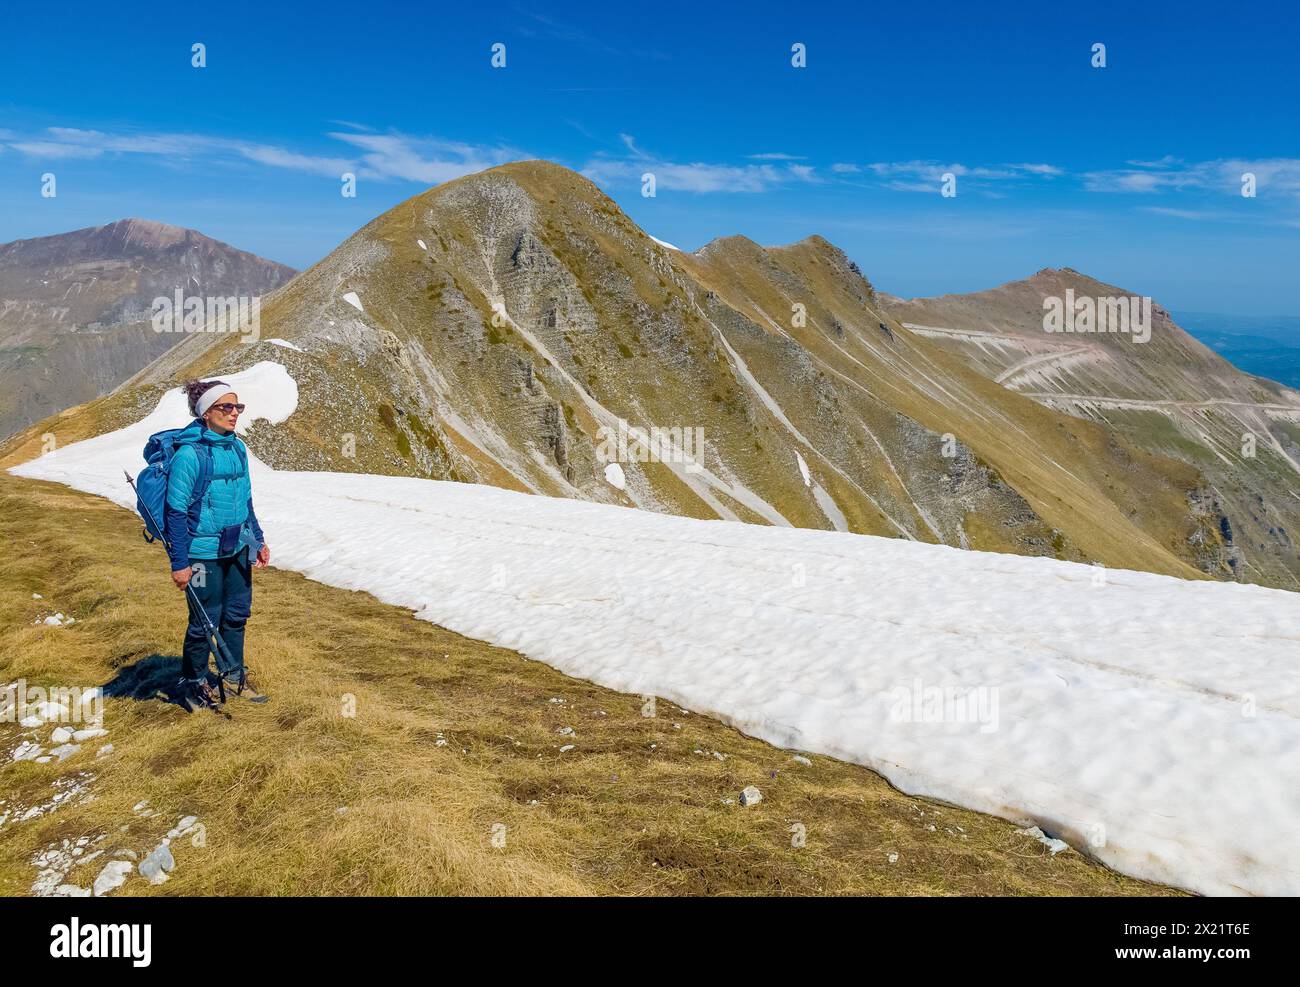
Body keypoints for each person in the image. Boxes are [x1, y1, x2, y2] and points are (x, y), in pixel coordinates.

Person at [166, 379, 271, 709]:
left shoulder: (238, 448)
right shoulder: (189, 455)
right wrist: (179, 563)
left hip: (237, 548)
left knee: (237, 615)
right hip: (201, 555)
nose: (234, 413)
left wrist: (258, 540)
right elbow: (175, 510)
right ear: (205, 413)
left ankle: (232, 676)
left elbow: (246, 499)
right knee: (203, 621)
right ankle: (193, 683)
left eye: (237, 407)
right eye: (226, 407)